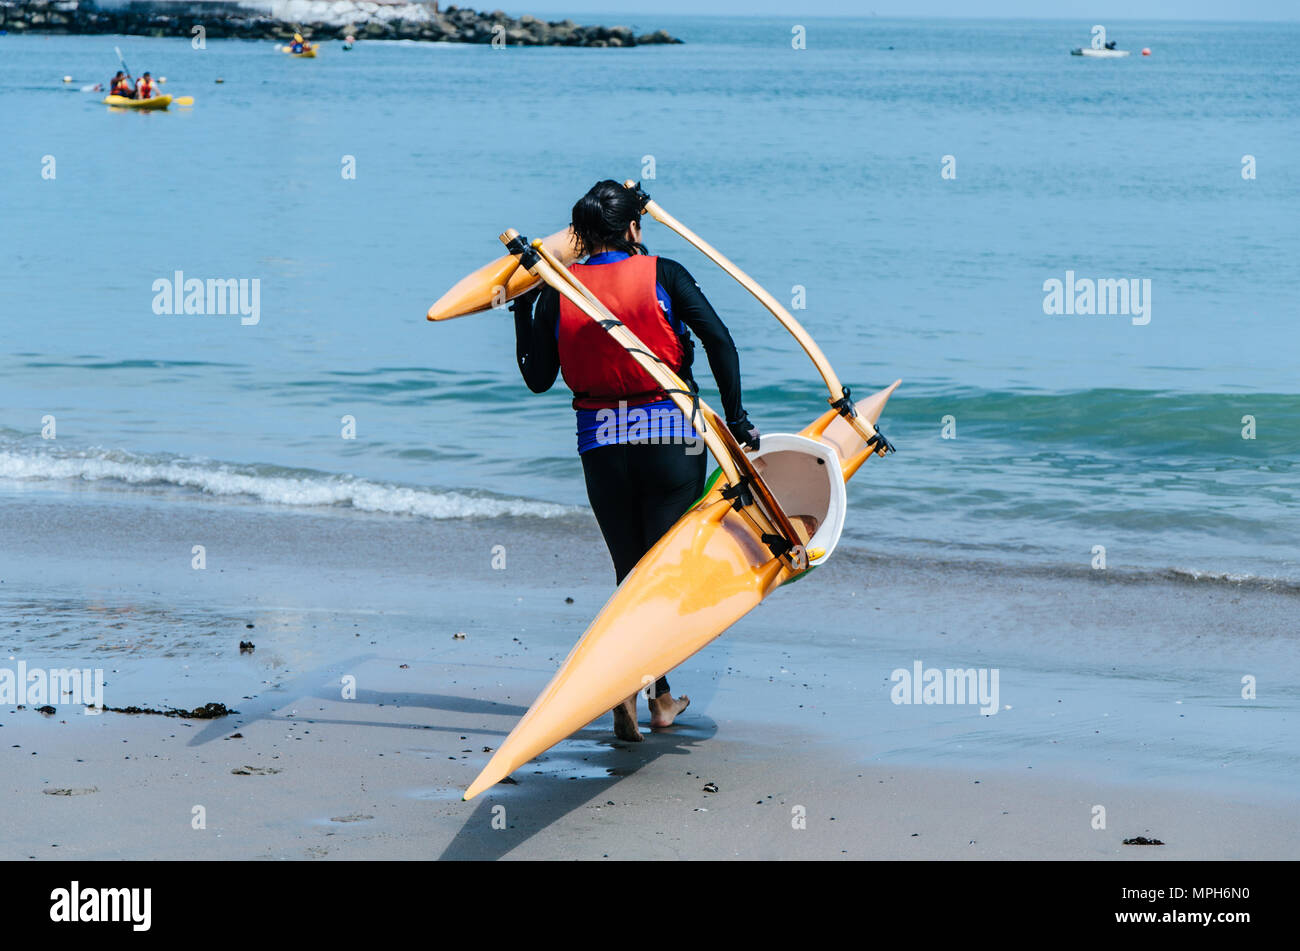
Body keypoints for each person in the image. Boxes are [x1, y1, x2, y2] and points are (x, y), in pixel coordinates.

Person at [510, 179, 761, 742]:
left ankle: (651, 691)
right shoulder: (664, 274)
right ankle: (646, 689)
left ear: (578, 238)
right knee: (665, 574)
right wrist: (738, 418)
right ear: (632, 229)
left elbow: (538, 378)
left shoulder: (560, 290)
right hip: (673, 440)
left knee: (630, 575)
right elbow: (720, 342)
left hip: (602, 445)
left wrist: (523, 309)